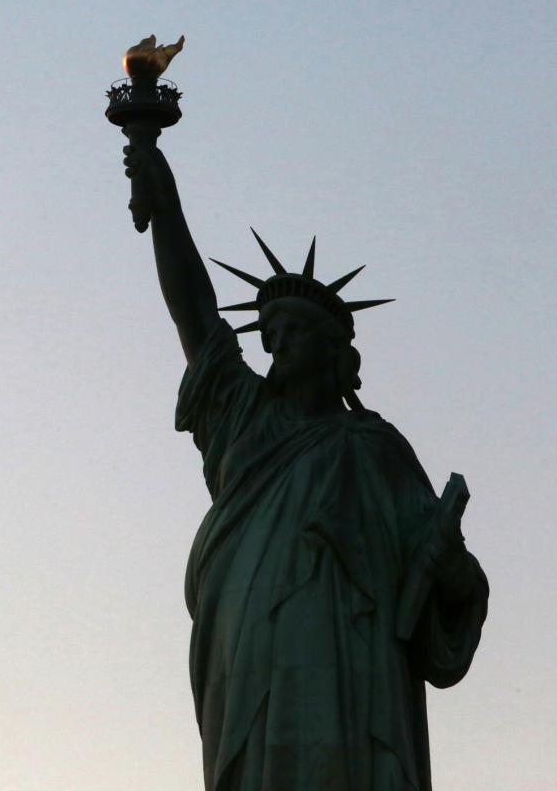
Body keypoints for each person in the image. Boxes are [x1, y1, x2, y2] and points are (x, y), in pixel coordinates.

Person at [121, 136, 488, 791]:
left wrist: (453, 569)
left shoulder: (374, 448)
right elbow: (196, 316)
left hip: (351, 655)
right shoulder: (242, 414)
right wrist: (165, 202)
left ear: (332, 351)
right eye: (270, 335)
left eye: (294, 334)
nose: (278, 346)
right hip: (248, 635)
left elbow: (440, 574)